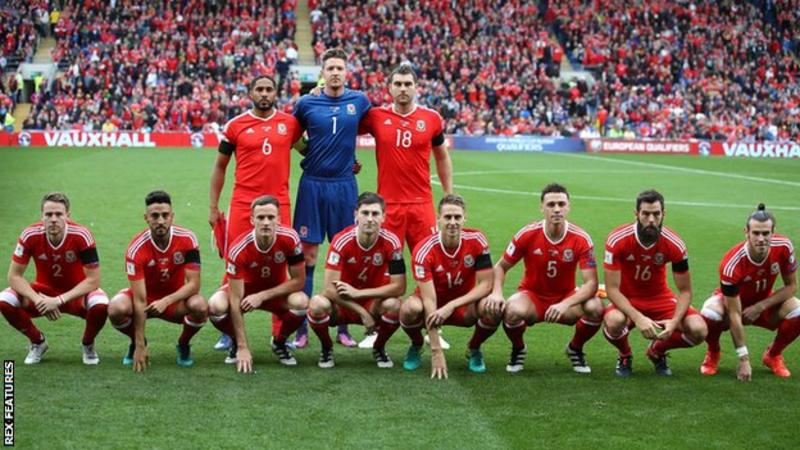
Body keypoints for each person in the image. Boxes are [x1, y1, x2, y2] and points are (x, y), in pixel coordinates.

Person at [357, 63, 453, 349]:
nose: (402, 89)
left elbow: (442, 157)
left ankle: (432, 325)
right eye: (397, 84)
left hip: (422, 205)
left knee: (430, 266)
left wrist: (448, 194)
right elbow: (342, 131)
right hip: (388, 207)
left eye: (407, 84)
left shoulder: (431, 119)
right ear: (389, 87)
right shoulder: (375, 116)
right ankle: (373, 328)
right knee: (380, 269)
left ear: (416, 87)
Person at [210, 75, 303, 352]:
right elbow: (219, 168)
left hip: (279, 205)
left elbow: (307, 150)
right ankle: (229, 331)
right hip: (242, 204)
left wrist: (343, 164)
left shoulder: (291, 124)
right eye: (259, 89)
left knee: (283, 265)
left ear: (276, 92)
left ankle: (279, 335)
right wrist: (213, 208)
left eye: (269, 89)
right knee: (233, 262)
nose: (264, 93)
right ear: (251, 93)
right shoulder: (235, 125)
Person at [291, 48, 371, 348]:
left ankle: (343, 327)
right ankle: (301, 327)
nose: (335, 72)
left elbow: (367, 128)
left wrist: (353, 158)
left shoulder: (359, 101)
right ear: (322, 73)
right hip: (312, 185)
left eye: (340, 67)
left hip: (344, 186)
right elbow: (291, 134)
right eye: (330, 68)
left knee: (344, 258)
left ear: (346, 71)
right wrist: (306, 152)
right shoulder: (306, 103)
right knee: (308, 256)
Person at [487, 183, 602, 373]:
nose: (556, 209)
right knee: (511, 310)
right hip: (532, 296)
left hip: (566, 298)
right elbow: (500, 267)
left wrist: (565, 304)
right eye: (550, 204)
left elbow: (591, 284)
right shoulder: (527, 234)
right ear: (542, 208)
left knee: (595, 307)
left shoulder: (581, 238)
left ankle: (575, 349)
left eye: (561, 204)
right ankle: (518, 348)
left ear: (568, 207)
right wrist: (496, 292)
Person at [602, 189, 707, 377]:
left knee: (698, 330)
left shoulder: (675, 244)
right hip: (627, 298)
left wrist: (674, 322)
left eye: (656, 214)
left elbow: (685, 291)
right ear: (636, 214)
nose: (651, 219)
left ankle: (656, 350)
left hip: (660, 299)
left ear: (663, 214)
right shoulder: (618, 239)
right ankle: (625, 354)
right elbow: (611, 289)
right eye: (646, 214)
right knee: (614, 321)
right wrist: (638, 318)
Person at [399, 194, 501, 379]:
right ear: (439, 219)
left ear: (465, 218)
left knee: (493, 307)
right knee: (409, 308)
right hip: (430, 306)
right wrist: (436, 351)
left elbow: (486, 285)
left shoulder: (477, 240)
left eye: (457, 217)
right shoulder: (424, 250)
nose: (453, 222)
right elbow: (429, 299)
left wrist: (452, 305)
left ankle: (474, 348)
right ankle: (416, 344)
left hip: (463, 306)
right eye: (447, 217)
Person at [0, 192, 108, 365]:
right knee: (4, 299)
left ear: (68, 216)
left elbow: (93, 280)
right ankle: (37, 342)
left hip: (75, 296)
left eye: (59, 214)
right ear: (41, 216)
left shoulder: (82, 235)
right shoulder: (29, 235)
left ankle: (88, 344)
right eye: (48, 214)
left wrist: (58, 300)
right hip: (42, 295)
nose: (53, 219)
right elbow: (14, 276)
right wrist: (38, 299)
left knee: (101, 304)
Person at [207, 196, 308, 373]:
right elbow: (236, 297)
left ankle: (279, 343)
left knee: (301, 302)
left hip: (275, 292)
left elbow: (299, 281)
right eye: (261, 218)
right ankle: (234, 343)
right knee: (216, 306)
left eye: (271, 217)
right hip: (244, 293)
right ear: (252, 220)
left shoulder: (290, 238)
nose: (266, 222)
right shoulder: (239, 249)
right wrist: (243, 347)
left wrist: (262, 296)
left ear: (279, 219)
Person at [108, 191, 207, 372]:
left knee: (200, 306)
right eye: (155, 216)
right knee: (115, 309)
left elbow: (194, 285)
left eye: (165, 215)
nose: (160, 220)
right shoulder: (136, 248)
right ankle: (137, 342)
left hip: (174, 301)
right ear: (146, 218)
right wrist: (139, 344)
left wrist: (167, 301)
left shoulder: (188, 239)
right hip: (144, 300)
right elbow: (139, 299)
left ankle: (183, 344)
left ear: (172, 216)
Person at [306, 192, 406, 368]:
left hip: (373, 304)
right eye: (365, 213)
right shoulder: (341, 241)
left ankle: (379, 348)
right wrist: (362, 312)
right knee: (317, 304)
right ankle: (326, 347)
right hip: (343, 303)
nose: (369, 219)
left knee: (396, 306)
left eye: (375, 214)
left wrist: (360, 294)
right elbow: (328, 290)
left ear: (384, 216)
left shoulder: (392, 242)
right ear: (356, 215)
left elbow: (400, 287)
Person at [700, 204, 798, 379]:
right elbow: (734, 313)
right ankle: (713, 352)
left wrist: (760, 307)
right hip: (731, 304)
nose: (761, 239)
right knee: (709, 312)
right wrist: (743, 359)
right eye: (756, 233)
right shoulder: (731, 263)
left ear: (773, 232)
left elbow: (791, 286)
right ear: (746, 232)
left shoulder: (784, 246)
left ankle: (773, 355)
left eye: (766, 233)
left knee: (798, 310)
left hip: (763, 303)